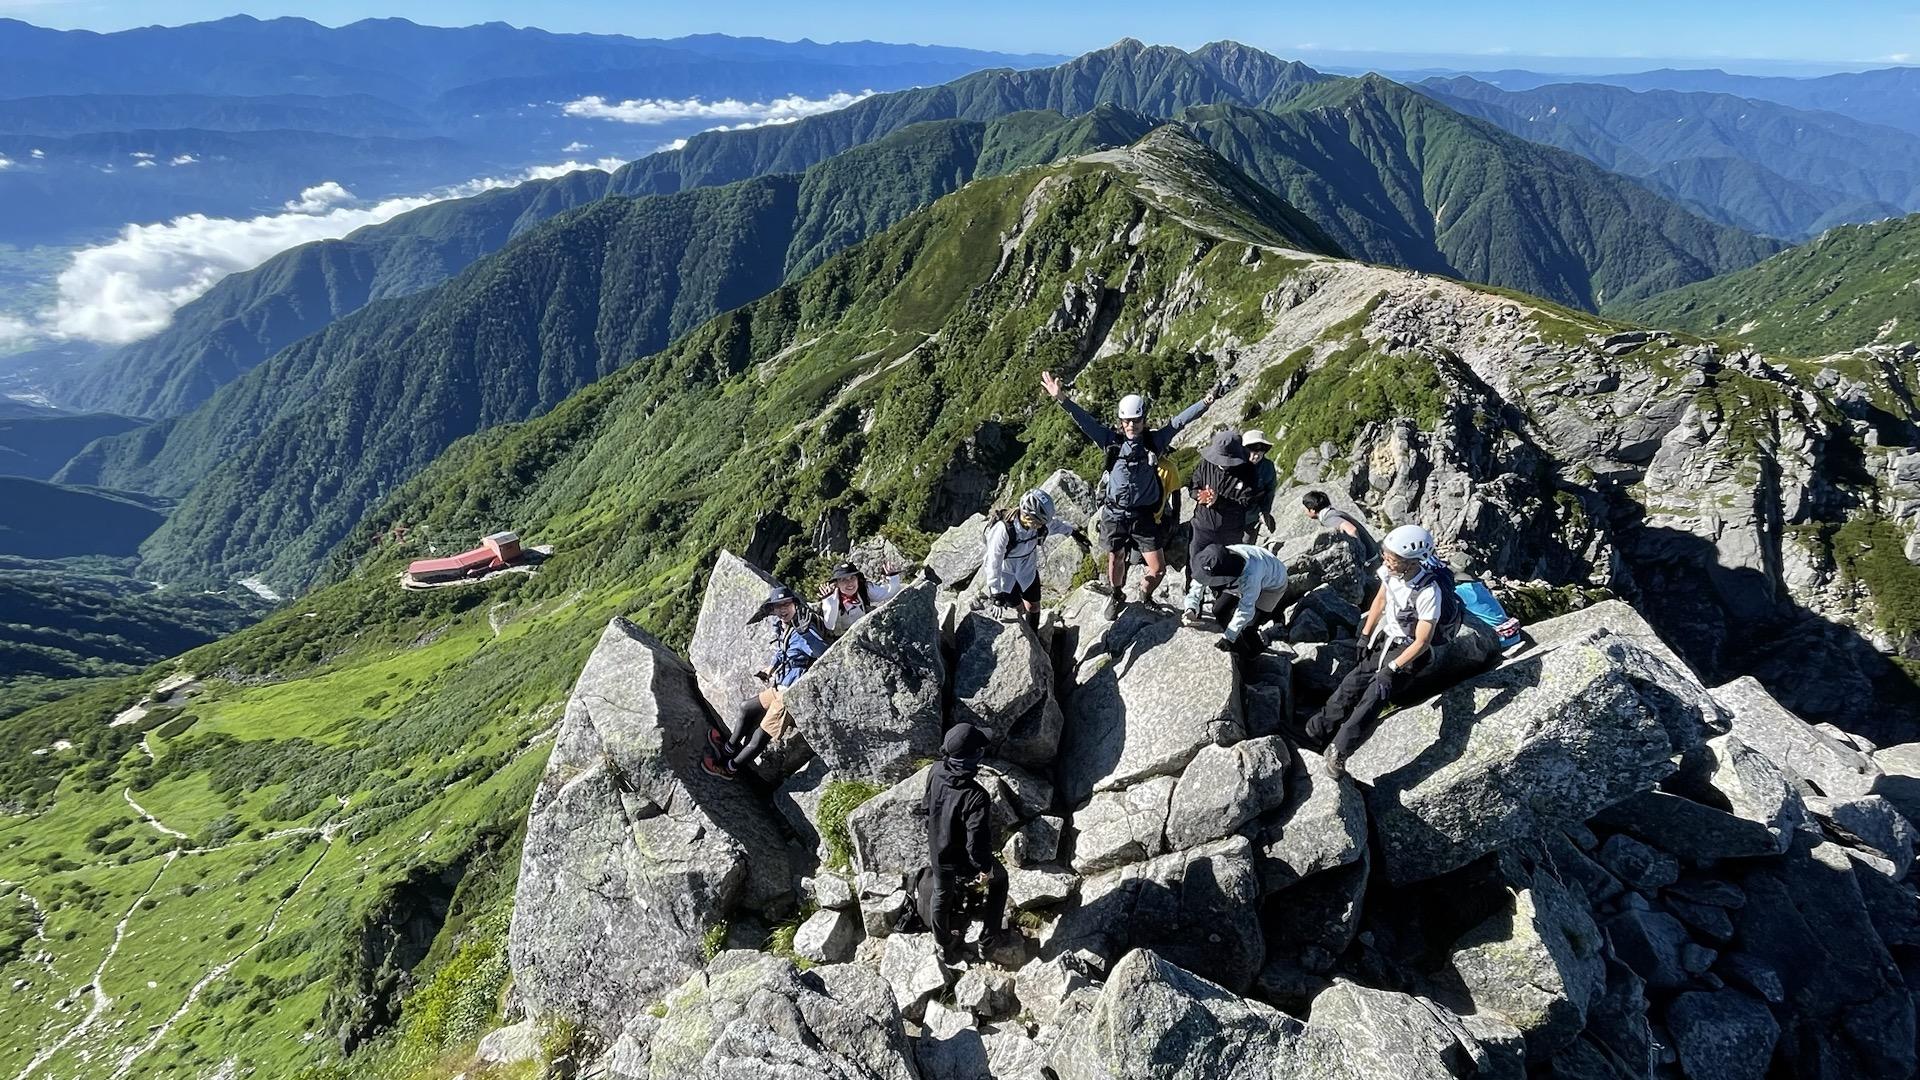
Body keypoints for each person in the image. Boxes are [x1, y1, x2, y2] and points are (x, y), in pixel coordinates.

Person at [1041, 370, 1220, 619]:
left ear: (1144, 419)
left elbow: (1179, 422)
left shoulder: (1154, 441)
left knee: (1157, 570)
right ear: (1120, 421)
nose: (1131, 425)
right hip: (1115, 512)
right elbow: (1084, 421)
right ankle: (1117, 595)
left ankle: (1145, 596)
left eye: (1136, 420)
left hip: (1143, 516)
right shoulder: (1110, 441)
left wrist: (1208, 401)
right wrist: (1062, 398)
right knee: (1115, 558)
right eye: (1126, 421)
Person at [1302, 524, 1448, 779]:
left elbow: (1423, 641)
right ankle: (1314, 732)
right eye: (1386, 556)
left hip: (1407, 652)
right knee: (1350, 686)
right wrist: (1365, 634)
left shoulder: (1428, 591)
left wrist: (1392, 669)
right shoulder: (1392, 572)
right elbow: (1381, 599)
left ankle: (1340, 749)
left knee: (1373, 696)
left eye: (1392, 559)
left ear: (1411, 562)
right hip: (1384, 641)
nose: (1386, 562)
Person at [703, 584, 828, 780]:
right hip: (779, 684)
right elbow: (782, 651)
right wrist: (770, 668)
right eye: (778, 606)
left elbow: (823, 653)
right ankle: (728, 747)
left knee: (759, 737)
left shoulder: (804, 630)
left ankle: (729, 768)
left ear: (795, 604)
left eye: (786, 604)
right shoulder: (783, 626)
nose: (783, 609)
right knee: (746, 707)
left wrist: (806, 634)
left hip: (789, 693)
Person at [922, 722, 1010, 962]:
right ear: (973, 757)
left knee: (941, 893)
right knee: (1000, 881)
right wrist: (985, 868)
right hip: (962, 859)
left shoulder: (936, 769)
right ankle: (989, 940)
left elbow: (926, 806)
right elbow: (976, 844)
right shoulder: (976, 796)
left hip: (937, 850)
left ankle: (944, 943)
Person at [1182, 429, 1260, 628]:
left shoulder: (1248, 471)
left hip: (1230, 531)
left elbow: (1247, 502)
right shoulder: (1206, 464)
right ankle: (1193, 607)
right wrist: (1199, 495)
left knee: (1224, 569)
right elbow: (1193, 485)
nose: (1221, 464)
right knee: (1194, 565)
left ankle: (1222, 609)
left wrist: (1220, 501)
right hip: (1202, 525)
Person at [978, 488, 1087, 628]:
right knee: (1017, 609)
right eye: (1038, 523)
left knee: (1034, 607)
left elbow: (1055, 524)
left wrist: (1073, 533)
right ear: (1028, 516)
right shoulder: (1003, 530)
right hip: (1006, 574)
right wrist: (996, 594)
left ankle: (1034, 635)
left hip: (1027, 569)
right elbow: (993, 562)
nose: (1040, 527)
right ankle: (1026, 637)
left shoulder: (1039, 524)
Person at [1191, 542, 1290, 655]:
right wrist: (1191, 608)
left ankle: (1254, 655)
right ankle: (1236, 644)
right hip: (1246, 578)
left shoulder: (1251, 575)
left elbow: (1246, 610)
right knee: (1219, 611)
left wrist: (1228, 637)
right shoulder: (1215, 560)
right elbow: (1198, 583)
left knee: (1249, 627)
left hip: (1274, 584)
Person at [818, 560, 903, 637]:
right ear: (837, 584)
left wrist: (893, 576)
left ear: (858, 579)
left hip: (865, 631)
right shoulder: (831, 598)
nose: (850, 583)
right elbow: (830, 625)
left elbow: (888, 593)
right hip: (841, 638)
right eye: (843, 579)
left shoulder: (863, 589)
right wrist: (830, 602)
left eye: (852, 577)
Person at [1302, 490, 1378, 562]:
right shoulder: (1333, 513)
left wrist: (1358, 553)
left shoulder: (1329, 519)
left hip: (1369, 559)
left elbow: (1352, 530)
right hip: (1373, 553)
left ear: (1312, 510)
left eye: (1305, 508)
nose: (1304, 511)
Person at [1242, 430, 1279, 540]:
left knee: (1245, 551)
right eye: (1252, 450)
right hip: (1230, 518)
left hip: (1252, 518)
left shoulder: (1268, 467)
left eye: (1261, 451)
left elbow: (1269, 491)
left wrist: (1265, 512)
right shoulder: (1234, 464)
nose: (1256, 455)